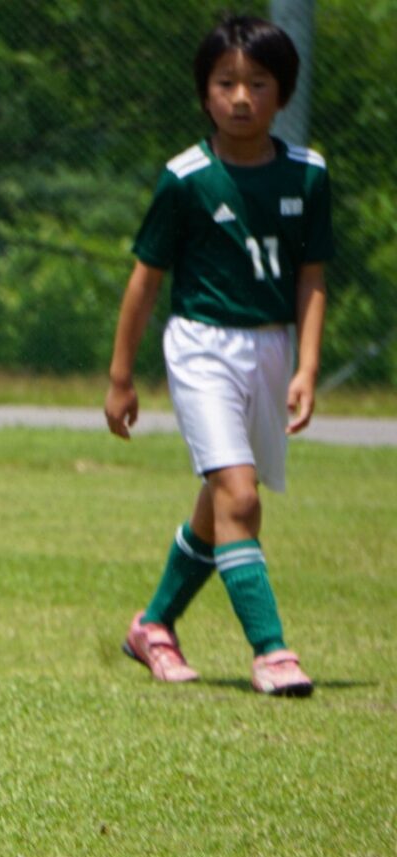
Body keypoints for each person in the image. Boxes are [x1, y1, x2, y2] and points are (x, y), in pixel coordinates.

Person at [104, 14, 330, 697]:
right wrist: (121, 376)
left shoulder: (308, 175)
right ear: (204, 92)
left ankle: (153, 625)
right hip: (202, 346)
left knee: (220, 498)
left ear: (282, 93)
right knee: (239, 493)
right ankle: (271, 651)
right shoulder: (187, 179)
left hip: (272, 346)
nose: (240, 97)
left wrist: (307, 366)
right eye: (225, 82)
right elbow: (145, 280)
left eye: (257, 83)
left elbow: (312, 276)